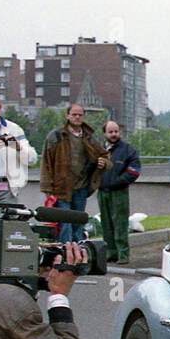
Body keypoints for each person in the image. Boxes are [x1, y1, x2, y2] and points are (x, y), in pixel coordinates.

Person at [40, 103, 107, 242]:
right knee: (65, 223)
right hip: (61, 188)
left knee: (78, 222)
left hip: (81, 187)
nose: (77, 117)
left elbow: (104, 155)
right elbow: (46, 162)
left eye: (80, 115)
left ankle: (78, 252)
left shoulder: (89, 137)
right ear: (67, 116)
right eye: (74, 114)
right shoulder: (56, 136)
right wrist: (47, 188)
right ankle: (65, 252)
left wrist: (104, 163)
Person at [97, 120, 140, 264]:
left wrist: (118, 181)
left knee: (120, 223)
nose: (114, 134)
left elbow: (134, 171)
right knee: (106, 223)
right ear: (105, 134)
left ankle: (123, 254)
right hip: (102, 191)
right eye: (110, 132)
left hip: (119, 192)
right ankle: (111, 252)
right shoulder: (99, 150)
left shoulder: (128, 150)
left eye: (116, 131)